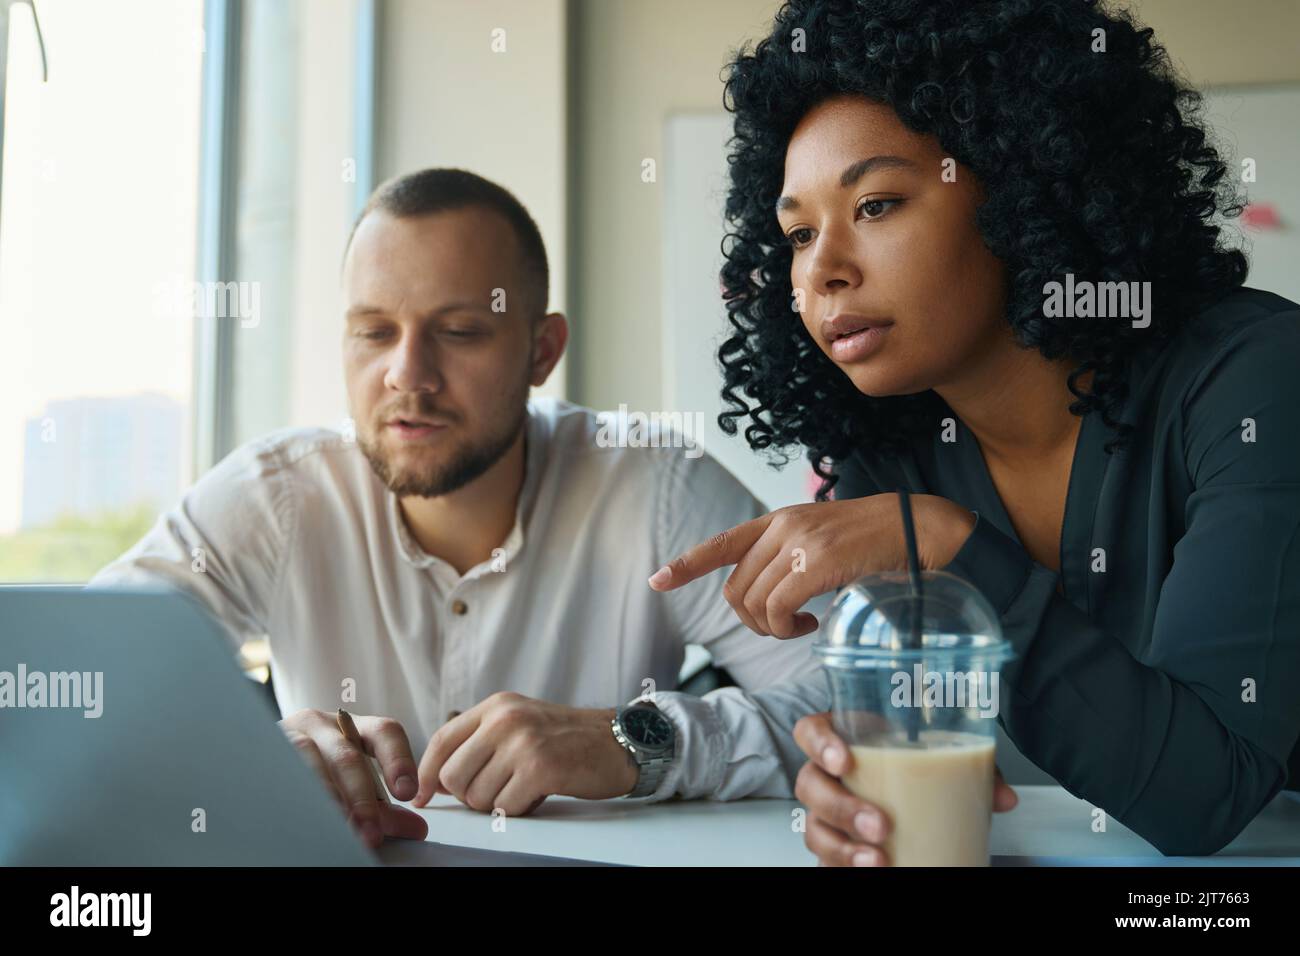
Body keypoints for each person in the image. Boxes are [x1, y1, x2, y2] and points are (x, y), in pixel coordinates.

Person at [646, 0, 1300, 864]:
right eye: (798, 233)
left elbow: (1202, 795)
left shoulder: (1255, 378)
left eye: (875, 205)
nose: (823, 270)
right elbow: (936, 743)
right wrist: (849, 790)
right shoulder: (890, 454)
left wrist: (950, 544)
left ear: (1024, 183)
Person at [90, 168, 820, 851]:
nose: (407, 374)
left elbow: (865, 703)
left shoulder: (657, 486)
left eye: (460, 331)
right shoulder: (276, 494)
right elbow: (77, 686)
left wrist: (638, 742)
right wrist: (244, 753)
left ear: (542, 350)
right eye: (374, 332)